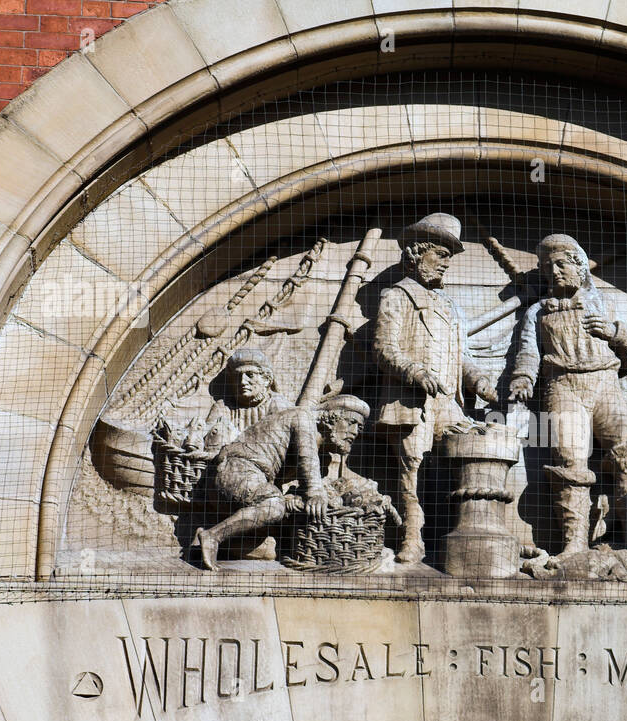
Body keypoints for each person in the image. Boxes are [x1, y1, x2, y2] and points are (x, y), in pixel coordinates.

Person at [509, 233, 627, 557]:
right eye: (547, 266)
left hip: (605, 384)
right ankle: (574, 544)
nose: (554, 271)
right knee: (569, 461)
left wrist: (614, 333)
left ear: (580, 267)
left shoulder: (607, 304)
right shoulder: (538, 313)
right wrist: (523, 379)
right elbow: (528, 353)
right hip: (563, 387)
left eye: (561, 264)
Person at [372, 213, 497, 563]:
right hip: (411, 401)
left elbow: (463, 359)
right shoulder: (395, 296)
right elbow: (384, 348)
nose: (446, 263)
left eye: (449, 257)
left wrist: (483, 384)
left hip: (448, 404)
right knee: (411, 465)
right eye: (440, 254)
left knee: (472, 446)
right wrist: (413, 371)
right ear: (415, 253)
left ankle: (469, 535)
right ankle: (412, 537)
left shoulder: (451, 307)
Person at [194, 393, 377, 571]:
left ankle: (215, 538)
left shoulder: (309, 433)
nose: (354, 432)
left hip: (243, 479)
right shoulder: (303, 418)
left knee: (268, 550)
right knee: (274, 506)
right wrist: (315, 493)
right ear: (331, 417)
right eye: (351, 423)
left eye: (359, 428)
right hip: (237, 471)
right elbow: (307, 461)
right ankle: (212, 536)